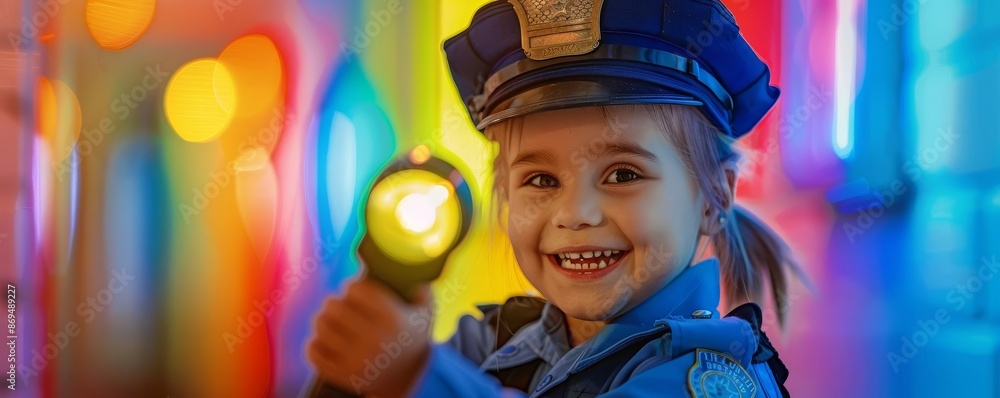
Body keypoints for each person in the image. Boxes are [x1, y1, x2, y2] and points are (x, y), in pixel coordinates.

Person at [306, 0, 801, 396]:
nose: (574, 214)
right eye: (541, 181)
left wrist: (415, 378)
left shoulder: (709, 378)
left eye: (623, 173)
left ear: (716, 195)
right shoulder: (492, 344)